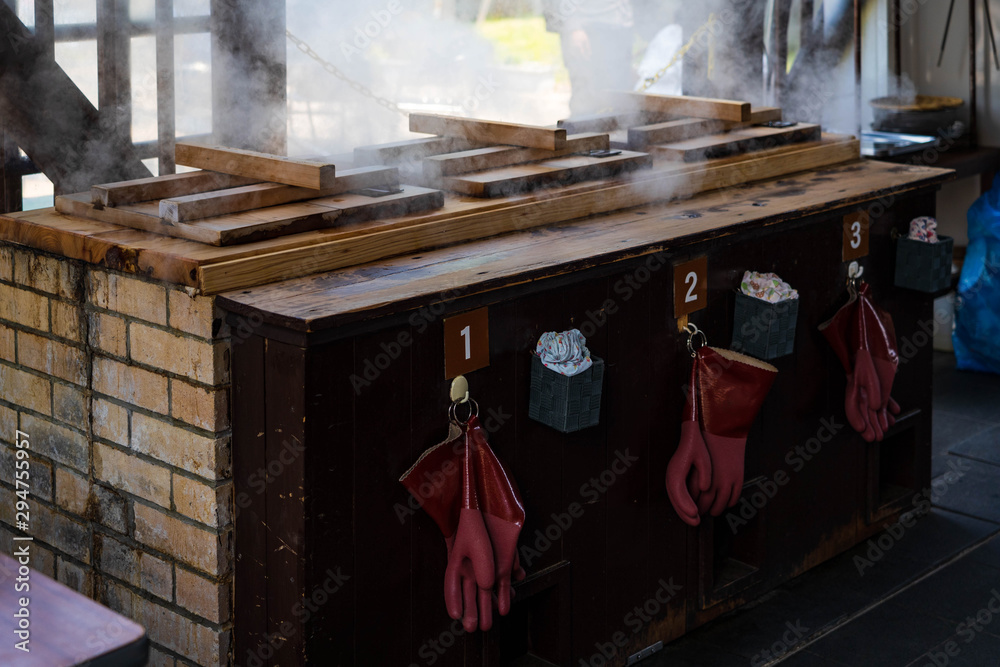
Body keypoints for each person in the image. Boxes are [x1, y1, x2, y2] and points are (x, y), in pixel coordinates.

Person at [543, 0, 635, 116]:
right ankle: (582, 131)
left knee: (620, 100)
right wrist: (572, 27)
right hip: (586, 28)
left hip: (621, 26)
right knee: (586, 99)